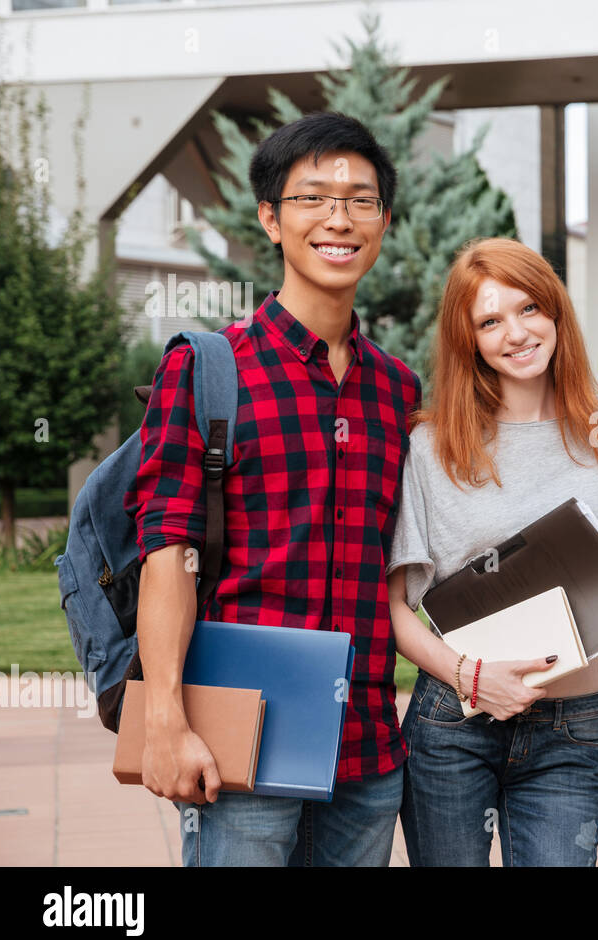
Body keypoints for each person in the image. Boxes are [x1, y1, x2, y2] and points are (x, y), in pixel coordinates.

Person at [125, 112, 420, 866]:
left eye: (360, 200)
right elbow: (168, 549)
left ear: (383, 220)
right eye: (313, 198)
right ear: (270, 217)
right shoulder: (208, 368)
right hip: (238, 740)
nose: (339, 219)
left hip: (366, 750)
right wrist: (164, 718)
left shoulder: (396, 389)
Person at [387, 237, 598, 867]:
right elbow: (396, 608)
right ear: (469, 340)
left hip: (569, 724)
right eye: (489, 320)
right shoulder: (432, 447)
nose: (516, 332)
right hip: (455, 721)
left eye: (529, 308)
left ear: (556, 311)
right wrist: (469, 676)